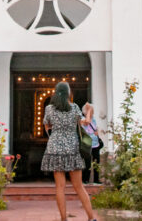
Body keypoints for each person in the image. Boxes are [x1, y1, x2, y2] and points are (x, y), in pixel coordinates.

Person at [41, 82, 98, 221]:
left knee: (60, 187)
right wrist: (90, 110)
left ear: (56, 92)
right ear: (68, 93)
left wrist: (54, 132)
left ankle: (63, 219)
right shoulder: (74, 108)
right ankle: (91, 218)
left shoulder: (49, 109)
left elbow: (46, 125)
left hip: (55, 149)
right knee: (78, 186)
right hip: (72, 149)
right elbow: (86, 121)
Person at [81, 102, 103, 184]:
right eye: (90, 111)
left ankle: (96, 180)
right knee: (87, 163)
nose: (91, 112)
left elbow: (95, 128)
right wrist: (88, 109)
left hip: (96, 144)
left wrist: (97, 132)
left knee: (97, 162)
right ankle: (85, 179)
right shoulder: (83, 119)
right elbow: (87, 122)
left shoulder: (93, 119)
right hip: (87, 144)